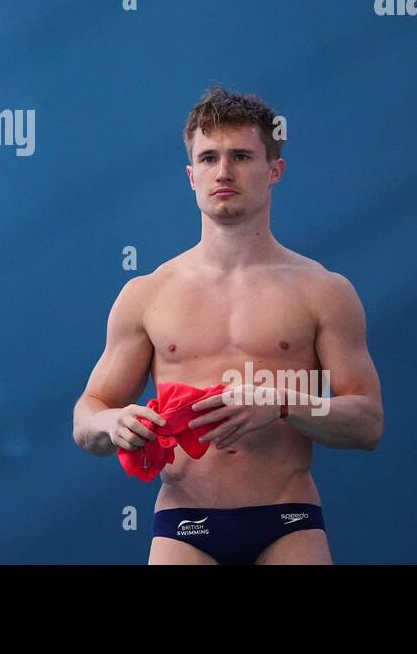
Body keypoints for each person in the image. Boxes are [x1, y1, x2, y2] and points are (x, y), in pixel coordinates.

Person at [71, 86, 383, 564]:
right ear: (190, 175)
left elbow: (367, 422)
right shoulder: (146, 294)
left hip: (288, 521)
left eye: (240, 155)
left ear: (274, 170)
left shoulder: (323, 291)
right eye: (210, 157)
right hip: (184, 523)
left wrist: (281, 403)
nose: (224, 171)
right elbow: (87, 416)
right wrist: (113, 421)